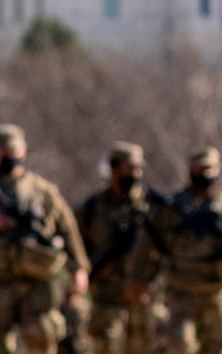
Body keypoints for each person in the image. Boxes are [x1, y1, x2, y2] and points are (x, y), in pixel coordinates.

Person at [0, 124, 90, 354]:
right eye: (2, 151)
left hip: (37, 281)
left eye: (12, 151)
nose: (8, 156)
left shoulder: (42, 191)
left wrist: (79, 269)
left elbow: (68, 229)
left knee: (42, 338)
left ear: (23, 151)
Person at [130, 148, 222, 354]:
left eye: (209, 169)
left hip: (220, 292)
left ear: (217, 170)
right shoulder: (173, 208)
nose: (205, 174)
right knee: (180, 344)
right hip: (182, 293)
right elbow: (146, 243)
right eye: (200, 170)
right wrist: (137, 278)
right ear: (191, 171)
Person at [80, 143, 165, 354]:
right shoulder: (94, 207)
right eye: (129, 168)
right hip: (106, 295)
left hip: (144, 293)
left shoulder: (154, 205)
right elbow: (77, 246)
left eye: (138, 169)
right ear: (114, 168)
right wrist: (88, 270)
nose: (135, 174)